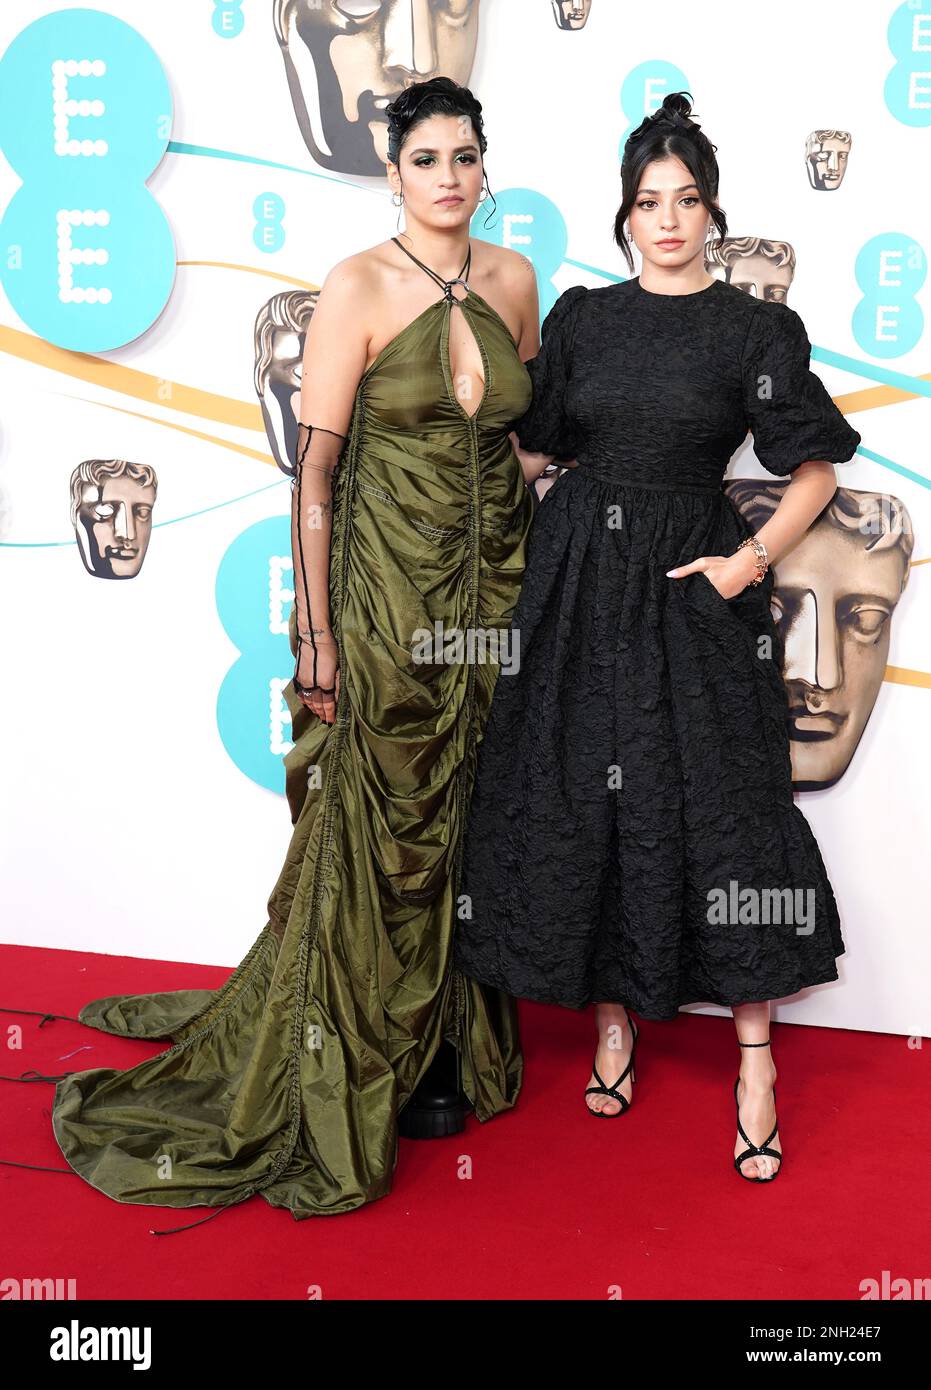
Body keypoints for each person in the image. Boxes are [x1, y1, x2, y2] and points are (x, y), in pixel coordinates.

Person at [1, 78, 543, 1229]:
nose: (447, 176)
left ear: (482, 168)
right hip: (386, 587)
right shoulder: (355, 286)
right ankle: (349, 1059)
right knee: (382, 818)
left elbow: (518, 445)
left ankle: (442, 1043)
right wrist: (315, 629)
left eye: (464, 156)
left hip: (492, 585)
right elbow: (314, 472)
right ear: (392, 174)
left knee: (472, 811)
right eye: (426, 158)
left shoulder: (512, 280)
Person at [454, 91, 862, 1183]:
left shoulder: (752, 330)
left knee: (724, 810)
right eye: (648, 200)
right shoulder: (584, 317)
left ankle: (756, 1059)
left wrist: (746, 559)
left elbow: (815, 465)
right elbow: (533, 452)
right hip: (579, 581)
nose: (667, 218)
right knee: (588, 795)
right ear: (624, 214)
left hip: (692, 582)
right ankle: (615, 1022)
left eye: (686, 200)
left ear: (710, 212)